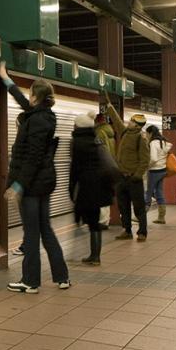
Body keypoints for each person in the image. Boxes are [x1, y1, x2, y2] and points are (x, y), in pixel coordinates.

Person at [0, 61, 70, 293]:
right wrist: (5, 77)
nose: (27, 98)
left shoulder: (36, 120)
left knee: (32, 232)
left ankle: (30, 281)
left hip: (32, 185)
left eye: (30, 95)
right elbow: (20, 99)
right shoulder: (42, 115)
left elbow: (33, 157)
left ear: (36, 98)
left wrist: (18, 185)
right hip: (43, 183)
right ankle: (62, 277)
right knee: (45, 229)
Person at [71, 113, 114, 265]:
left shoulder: (77, 142)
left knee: (89, 221)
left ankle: (94, 256)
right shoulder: (97, 139)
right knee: (94, 222)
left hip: (87, 186)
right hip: (100, 186)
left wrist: (71, 189)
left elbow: (74, 169)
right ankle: (95, 256)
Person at [105, 96, 151, 242]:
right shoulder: (125, 132)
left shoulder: (140, 139)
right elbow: (117, 121)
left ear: (137, 125)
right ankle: (127, 230)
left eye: (131, 121)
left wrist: (137, 176)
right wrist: (110, 107)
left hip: (133, 179)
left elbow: (145, 160)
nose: (128, 122)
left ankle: (142, 232)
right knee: (123, 206)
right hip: (121, 178)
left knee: (138, 207)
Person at [144, 125, 172, 225]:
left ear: (150, 133)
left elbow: (154, 159)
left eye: (147, 133)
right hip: (162, 170)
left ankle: (141, 216)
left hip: (154, 171)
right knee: (159, 192)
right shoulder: (163, 142)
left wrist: (147, 166)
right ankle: (161, 217)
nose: (146, 135)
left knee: (148, 193)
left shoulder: (153, 143)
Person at [95, 113, 116, 229]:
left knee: (101, 194)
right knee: (106, 194)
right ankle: (105, 219)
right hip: (111, 165)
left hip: (103, 166)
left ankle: (102, 221)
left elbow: (101, 151)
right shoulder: (110, 132)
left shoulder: (99, 133)